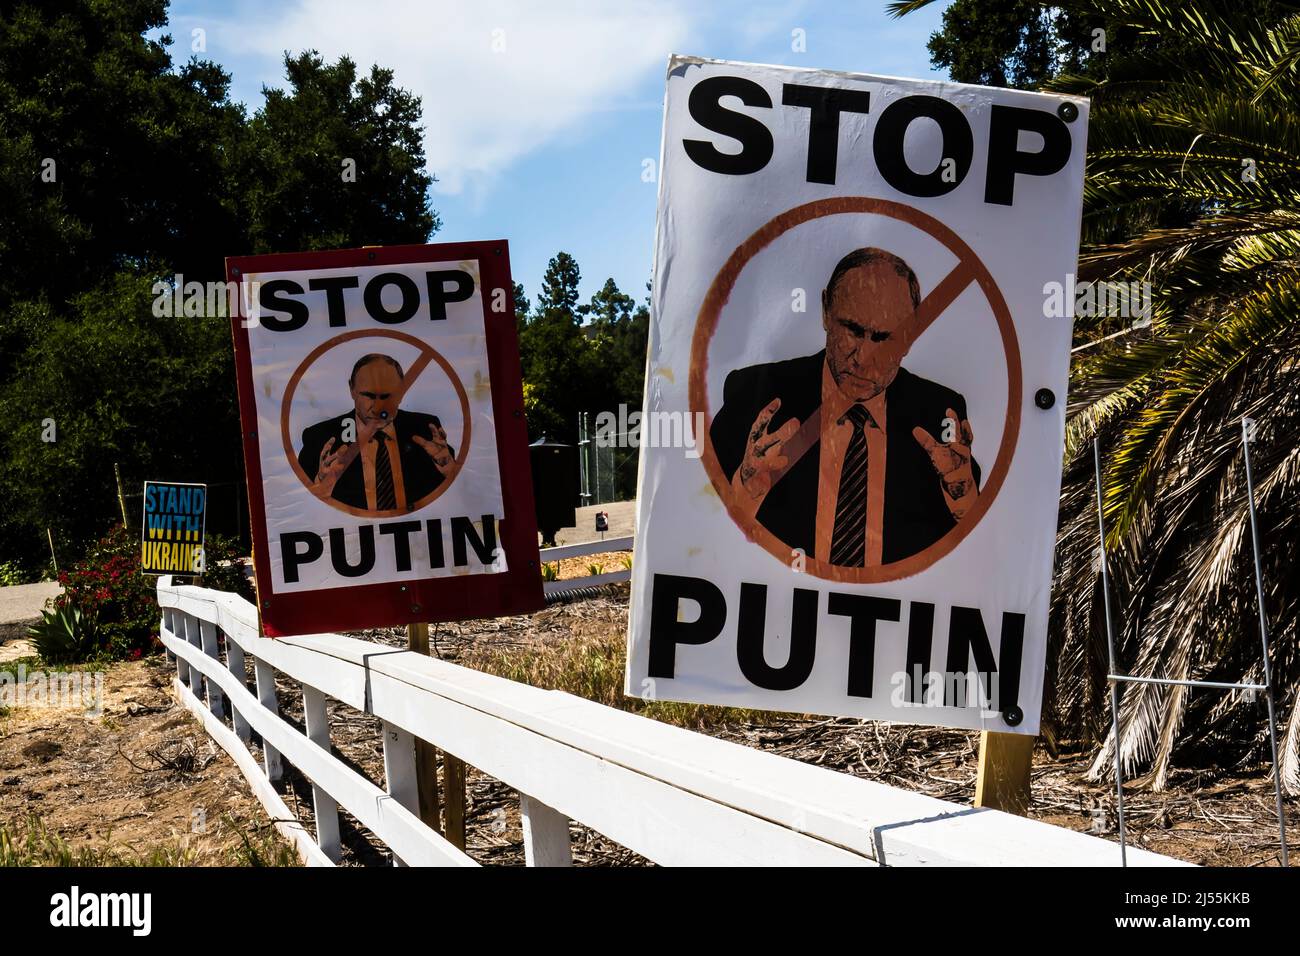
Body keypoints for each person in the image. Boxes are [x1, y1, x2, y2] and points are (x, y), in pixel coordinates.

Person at [709, 247, 980, 568]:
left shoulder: (939, 415)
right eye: (853, 330)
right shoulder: (755, 396)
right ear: (825, 311)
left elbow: (972, 558)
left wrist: (962, 497)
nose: (864, 357)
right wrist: (746, 490)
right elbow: (699, 532)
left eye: (884, 338)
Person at [297, 353, 455, 512]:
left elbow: (461, 495)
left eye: (388, 396)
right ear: (352, 389)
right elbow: (298, 508)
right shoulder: (319, 438)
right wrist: (321, 484)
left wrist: (449, 469)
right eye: (369, 395)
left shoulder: (426, 430)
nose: (379, 407)